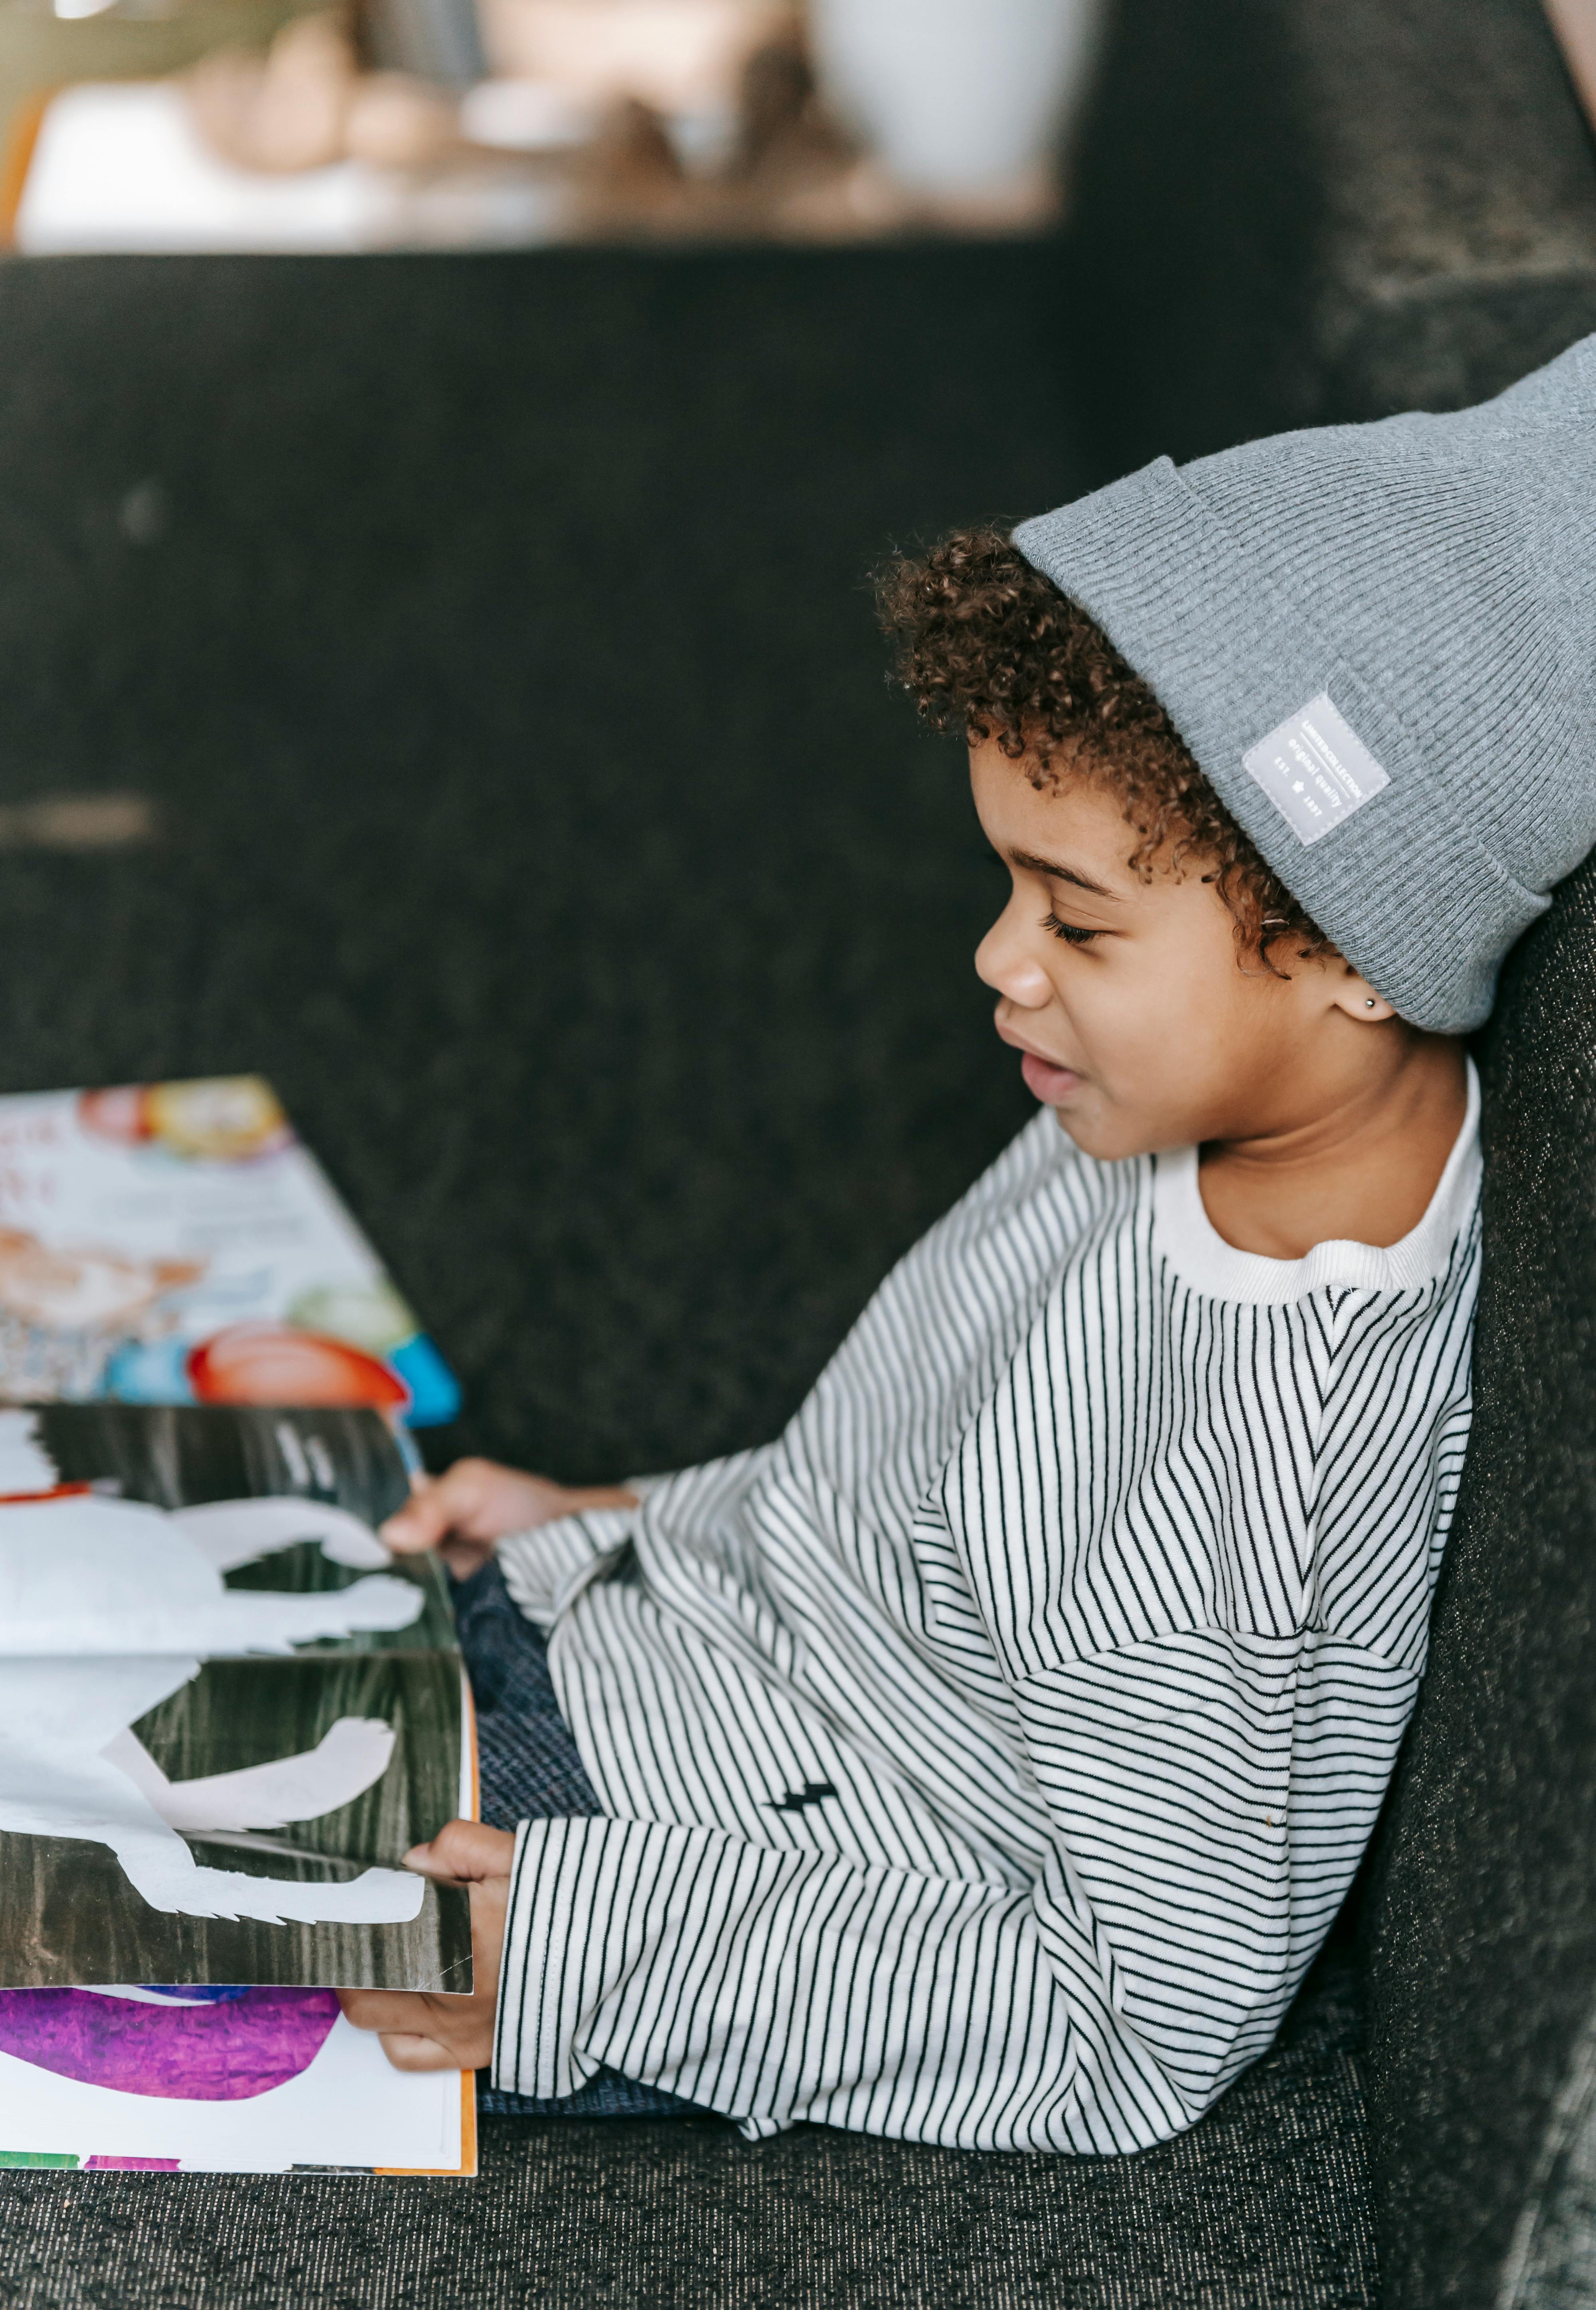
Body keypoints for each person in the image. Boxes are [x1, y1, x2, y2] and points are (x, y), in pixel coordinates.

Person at [339, 333, 1596, 2152]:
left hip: (667, 1887)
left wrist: (579, 1949)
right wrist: (615, 1523)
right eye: (1011, 889)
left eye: (1075, 923)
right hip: (640, 1656)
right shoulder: (1155, 1110)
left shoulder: (1262, 1480)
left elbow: (1126, 2026)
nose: (1002, 964)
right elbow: (890, 1510)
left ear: (1345, 946)